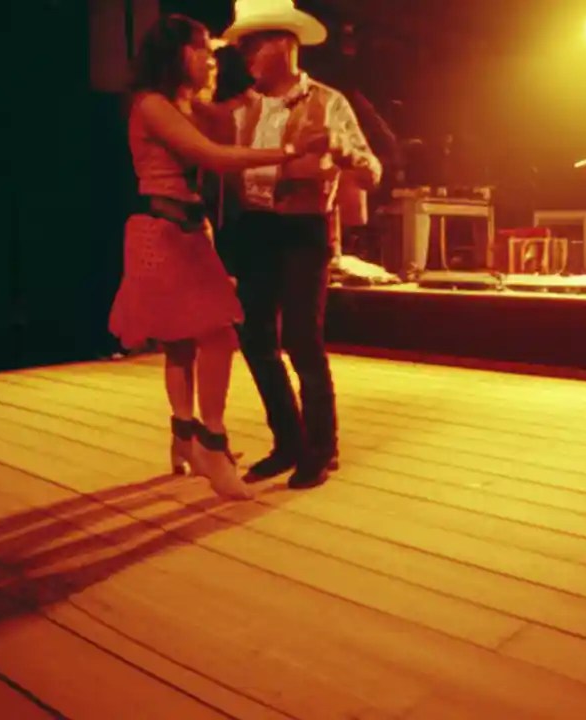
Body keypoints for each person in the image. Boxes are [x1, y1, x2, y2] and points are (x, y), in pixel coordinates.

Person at [107, 13, 327, 500]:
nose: (211, 58)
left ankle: (184, 438)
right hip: (161, 232)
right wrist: (289, 151)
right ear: (175, 53)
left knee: (183, 342)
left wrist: (249, 90)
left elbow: (229, 127)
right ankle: (211, 441)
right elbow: (216, 156)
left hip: (187, 231)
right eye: (202, 49)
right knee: (219, 337)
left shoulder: (186, 104)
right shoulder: (153, 106)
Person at [222, 0, 381, 490]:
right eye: (243, 44)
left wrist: (342, 149)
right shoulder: (241, 104)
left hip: (302, 230)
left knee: (302, 341)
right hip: (253, 229)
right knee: (255, 340)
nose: (245, 53)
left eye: (254, 42)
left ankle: (321, 448)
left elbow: (372, 173)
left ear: (284, 44)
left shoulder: (329, 101)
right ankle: (289, 441)